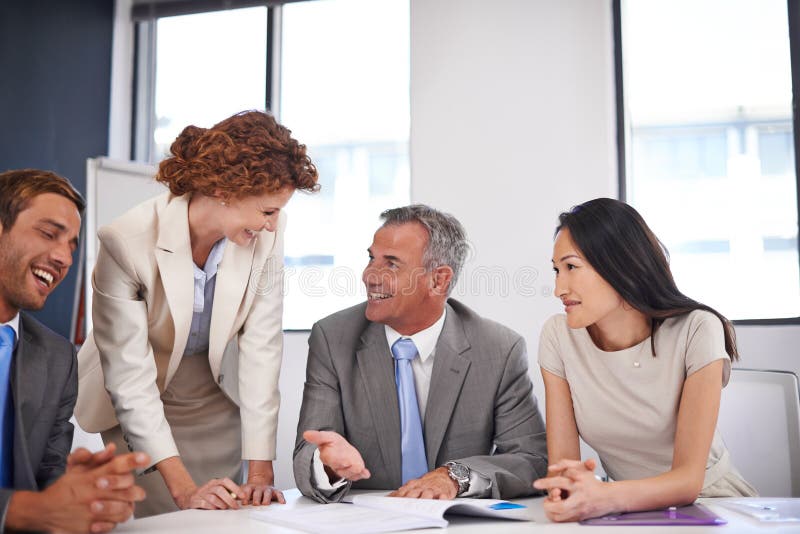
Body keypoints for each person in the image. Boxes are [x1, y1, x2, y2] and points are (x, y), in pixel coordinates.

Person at [75, 110, 319, 517]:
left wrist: (260, 471)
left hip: (214, 398)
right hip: (140, 397)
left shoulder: (264, 236)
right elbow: (130, 378)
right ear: (227, 189)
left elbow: (262, 348)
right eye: (267, 211)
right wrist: (185, 490)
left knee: (226, 517)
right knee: (163, 519)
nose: (274, 226)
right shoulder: (126, 242)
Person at [294, 204, 547, 503]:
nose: (368, 275)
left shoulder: (498, 349)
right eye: (371, 258)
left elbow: (532, 459)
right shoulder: (333, 338)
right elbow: (308, 451)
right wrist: (327, 465)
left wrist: (455, 476)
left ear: (438, 280)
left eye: (391, 264)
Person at [533, 197, 757, 522]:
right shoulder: (558, 336)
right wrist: (567, 493)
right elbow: (564, 470)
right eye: (556, 270)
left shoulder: (697, 329)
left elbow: (687, 481)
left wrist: (603, 496)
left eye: (571, 267)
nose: (558, 288)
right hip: (623, 511)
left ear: (619, 264)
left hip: (713, 504)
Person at [0, 169, 149, 533]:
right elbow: (33, 506)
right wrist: (24, 510)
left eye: (71, 244)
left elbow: (49, 467)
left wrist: (80, 493)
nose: (64, 257)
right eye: (49, 234)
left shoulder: (57, 356)